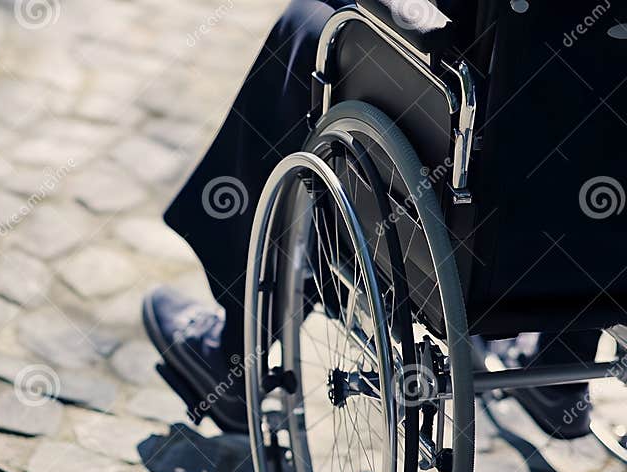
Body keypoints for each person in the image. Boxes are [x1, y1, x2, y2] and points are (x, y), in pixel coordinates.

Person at [141, 0, 596, 439]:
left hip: (483, 172)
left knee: (307, 25)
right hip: (592, 222)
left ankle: (238, 355)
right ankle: (564, 365)